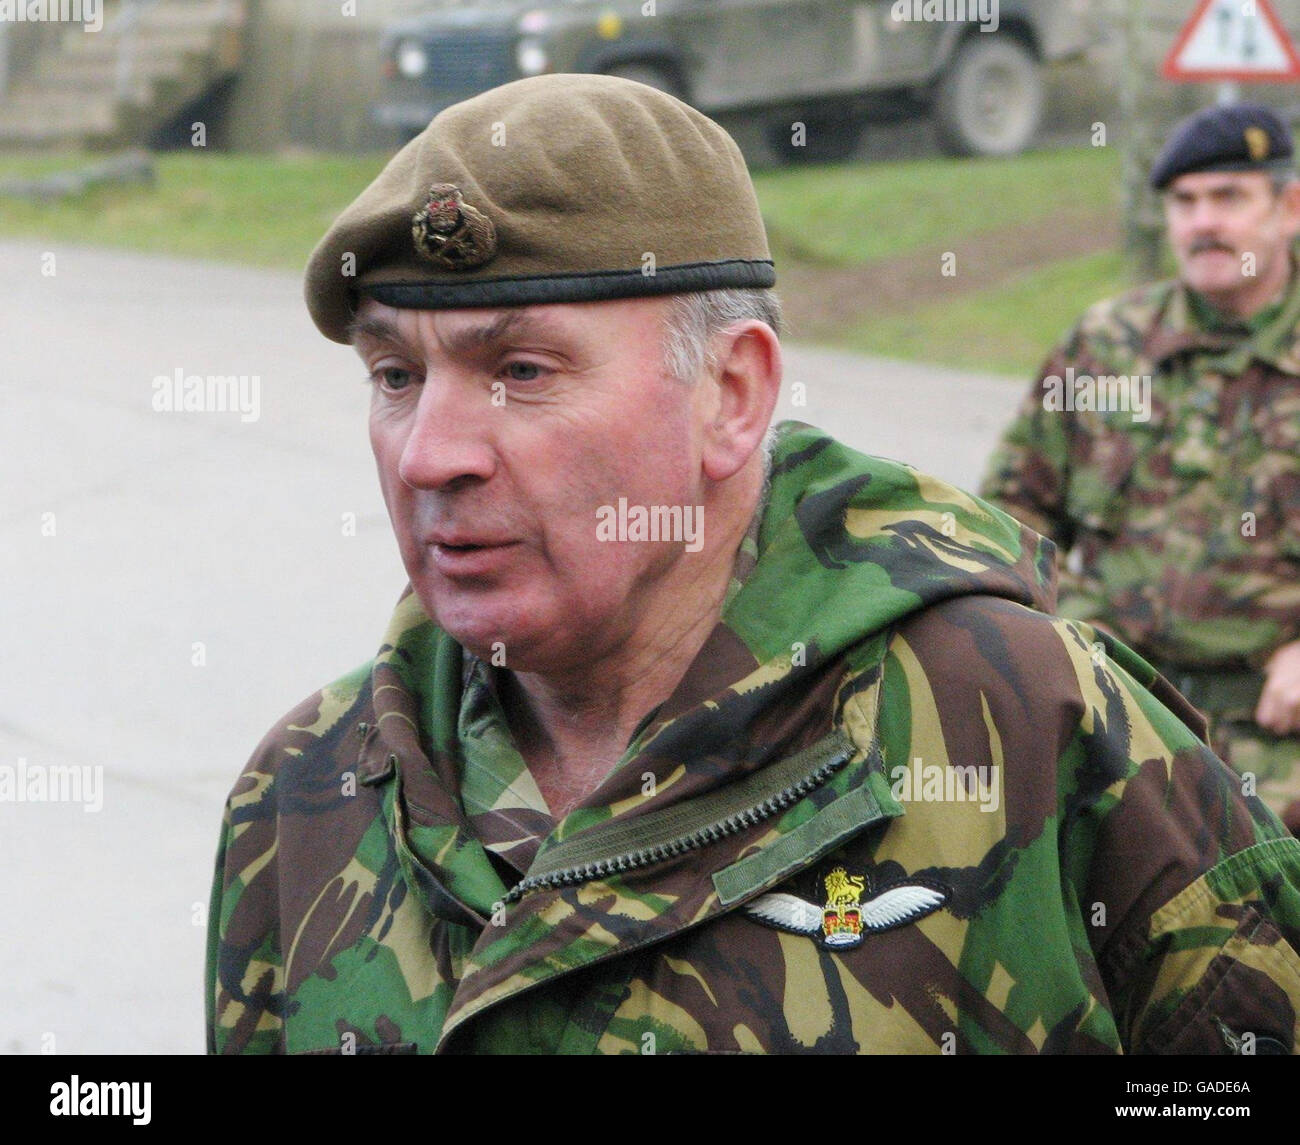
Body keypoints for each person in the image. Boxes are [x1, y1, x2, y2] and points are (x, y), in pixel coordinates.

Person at [206, 76, 1300, 1055]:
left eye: (522, 369)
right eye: (395, 375)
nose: (432, 452)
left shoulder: (1033, 730)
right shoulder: (307, 788)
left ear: (730, 395)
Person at [982, 102, 1300, 836]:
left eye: (1228, 197)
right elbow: (1009, 514)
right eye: (1183, 202)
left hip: (1275, 733)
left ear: (1288, 208)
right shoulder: (1108, 344)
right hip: (1116, 714)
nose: (1201, 223)